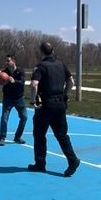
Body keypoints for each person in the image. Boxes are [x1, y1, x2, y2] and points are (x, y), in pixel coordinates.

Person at [28, 41, 80, 176]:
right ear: (53, 51)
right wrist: (65, 94)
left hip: (45, 105)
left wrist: (33, 101)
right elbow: (71, 81)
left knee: (39, 135)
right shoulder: (61, 64)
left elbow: (34, 84)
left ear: (41, 52)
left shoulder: (40, 67)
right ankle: (72, 159)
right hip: (60, 105)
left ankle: (40, 163)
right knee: (62, 135)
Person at [0, 54, 28, 146]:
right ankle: (2, 138)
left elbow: (22, 82)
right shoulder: (4, 72)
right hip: (8, 98)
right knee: (4, 117)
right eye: (6, 61)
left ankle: (17, 137)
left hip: (19, 99)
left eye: (8, 61)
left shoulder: (20, 71)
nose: (6, 63)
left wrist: (14, 81)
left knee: (24, 117)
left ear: (13, 61)